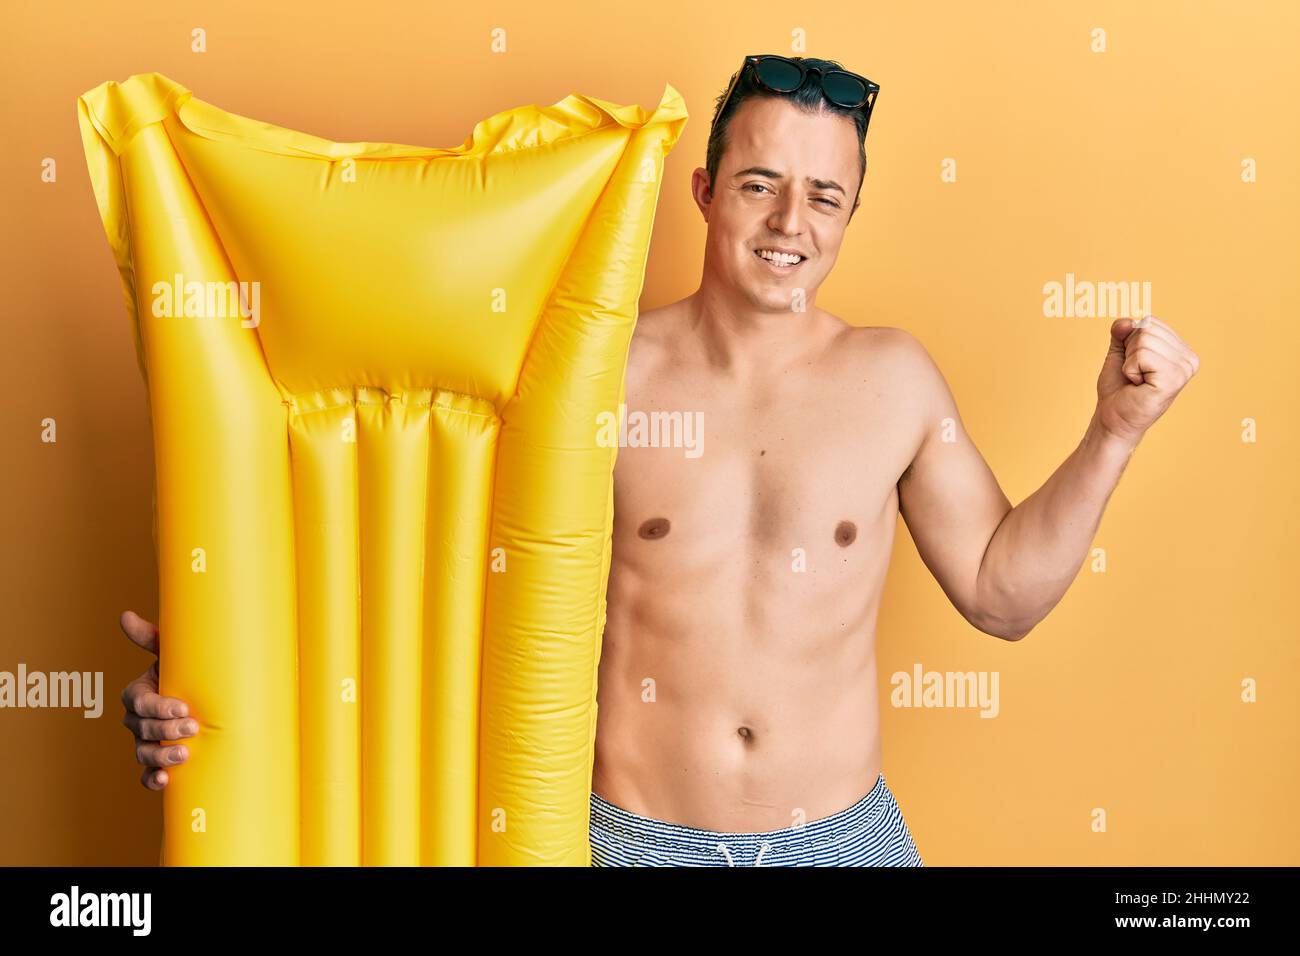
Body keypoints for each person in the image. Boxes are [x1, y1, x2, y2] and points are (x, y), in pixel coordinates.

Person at [118, 54, 1200, 867]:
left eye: (825, 196)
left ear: (853, 213)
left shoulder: (894, 380)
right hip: (628, 841)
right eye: (759, 183)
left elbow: (1002, 595)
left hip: (841, 840)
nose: (790, 222)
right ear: (702, 191)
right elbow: (405, 560)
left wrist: (1112, 428)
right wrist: (227, 661)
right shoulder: (587, 376)